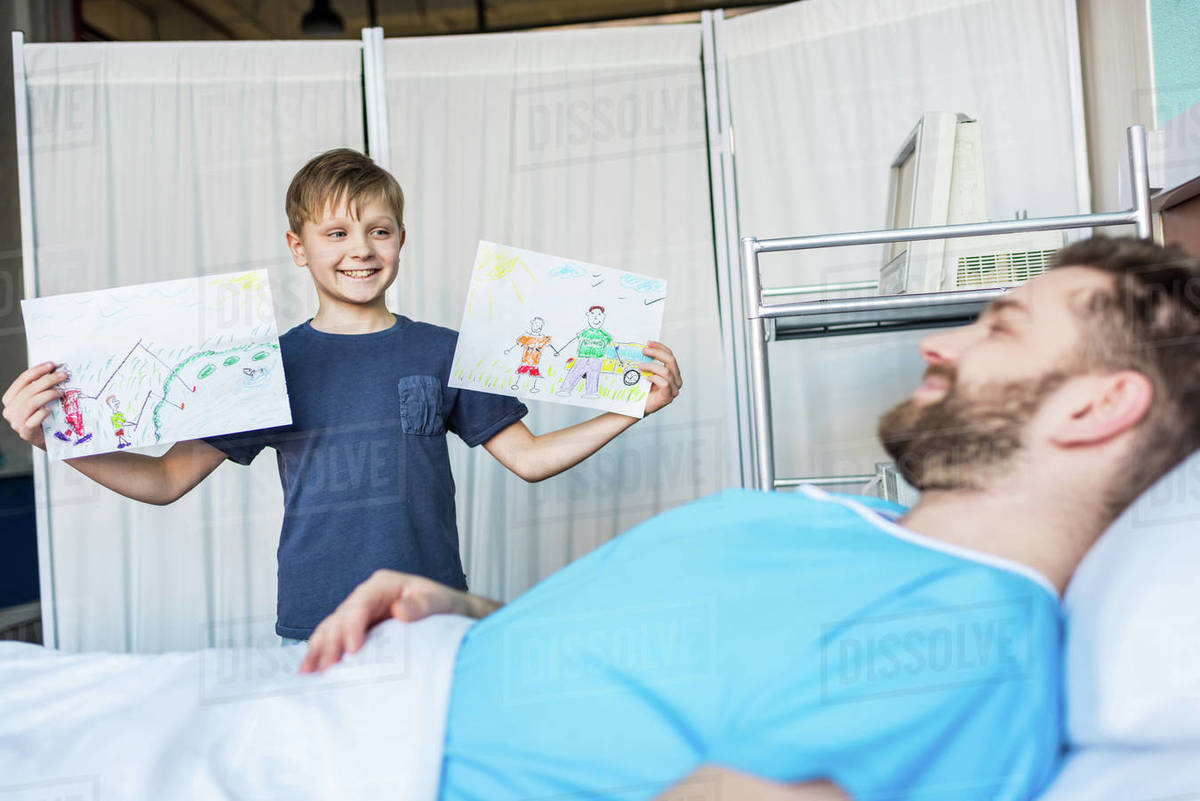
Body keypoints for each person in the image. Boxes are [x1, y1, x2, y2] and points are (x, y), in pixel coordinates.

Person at [297, 237, 1200, 800]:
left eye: (1000, 327)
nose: (942, 339)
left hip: (363, 761)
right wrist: (475, 616)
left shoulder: (963, 640)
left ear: (1096, 407)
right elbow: (676, 672)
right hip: (369, 689)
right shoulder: (853, 524)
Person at [0, 148, 683, 642]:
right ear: (298, 248)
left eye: (378, 231)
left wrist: (628, 406)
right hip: (317, 618)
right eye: (336, 233)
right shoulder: (264, 363)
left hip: (430, 610)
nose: (361, 249)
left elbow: (529, 457)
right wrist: (56, 440)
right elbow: (165, 477)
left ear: (401, 241)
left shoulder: (445, 350)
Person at [555, 304, 614, 399]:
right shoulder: (584, 332)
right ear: (588, 315)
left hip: (597, 359)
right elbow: (572, 340)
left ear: (603, 317)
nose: (596, 317)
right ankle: (565, 389)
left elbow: (613, 345)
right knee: (574, 373)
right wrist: (559, 350)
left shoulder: (605, 335)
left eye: (599, 314)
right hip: (582, 357)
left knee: (593, 375)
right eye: (593, 314)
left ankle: (591, 392)